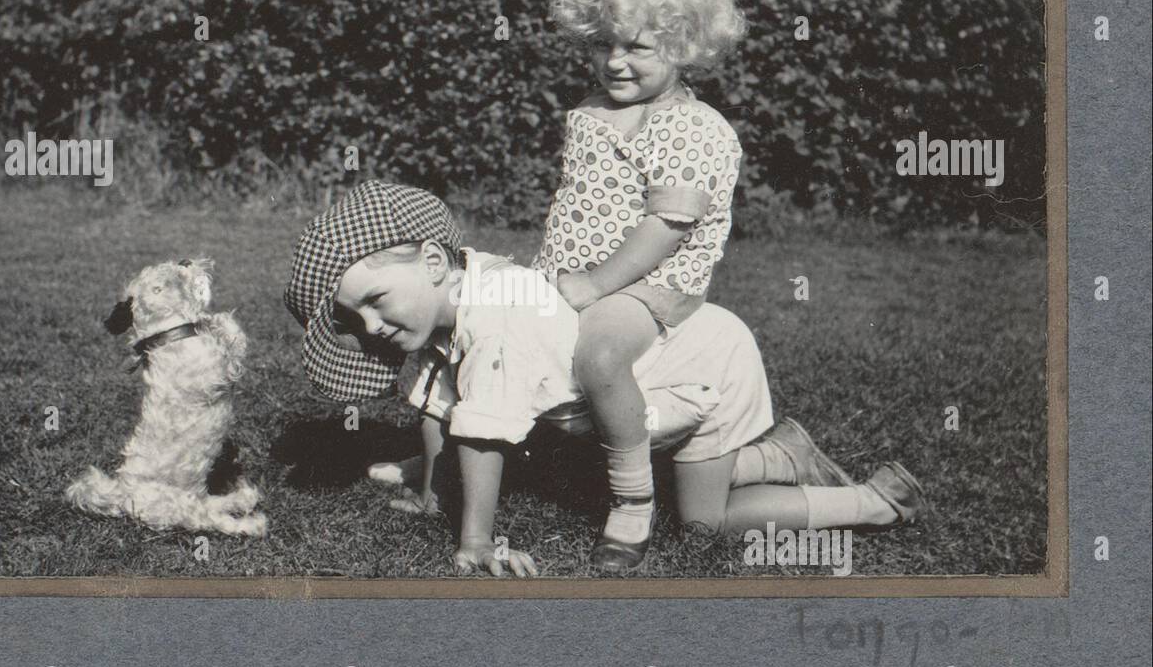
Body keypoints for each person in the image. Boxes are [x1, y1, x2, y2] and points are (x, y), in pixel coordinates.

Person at [286, 181, 924, 577]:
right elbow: (440, 409)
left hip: (697, 368)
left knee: (703, 520)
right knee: (637, 464)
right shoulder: (444, 313)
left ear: (431, 262)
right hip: (631, 389)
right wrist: (432, 492)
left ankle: (874, 502)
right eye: (351, 317)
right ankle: (780, 455)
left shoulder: (498, 315)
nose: (368, 326)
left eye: (374, 300)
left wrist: (476, 540)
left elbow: (480, 436)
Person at [533, 0, 750, 568]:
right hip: (577, 271)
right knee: (489, 325)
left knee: (599, 356)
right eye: (604, 43)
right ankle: (459, 451)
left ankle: (632, 500)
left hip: (650, 282)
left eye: (637, 47)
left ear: (682, 48)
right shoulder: (594, 110)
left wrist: (597, 284)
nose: (615, 61)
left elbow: (666, 227)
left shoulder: (687, 127)